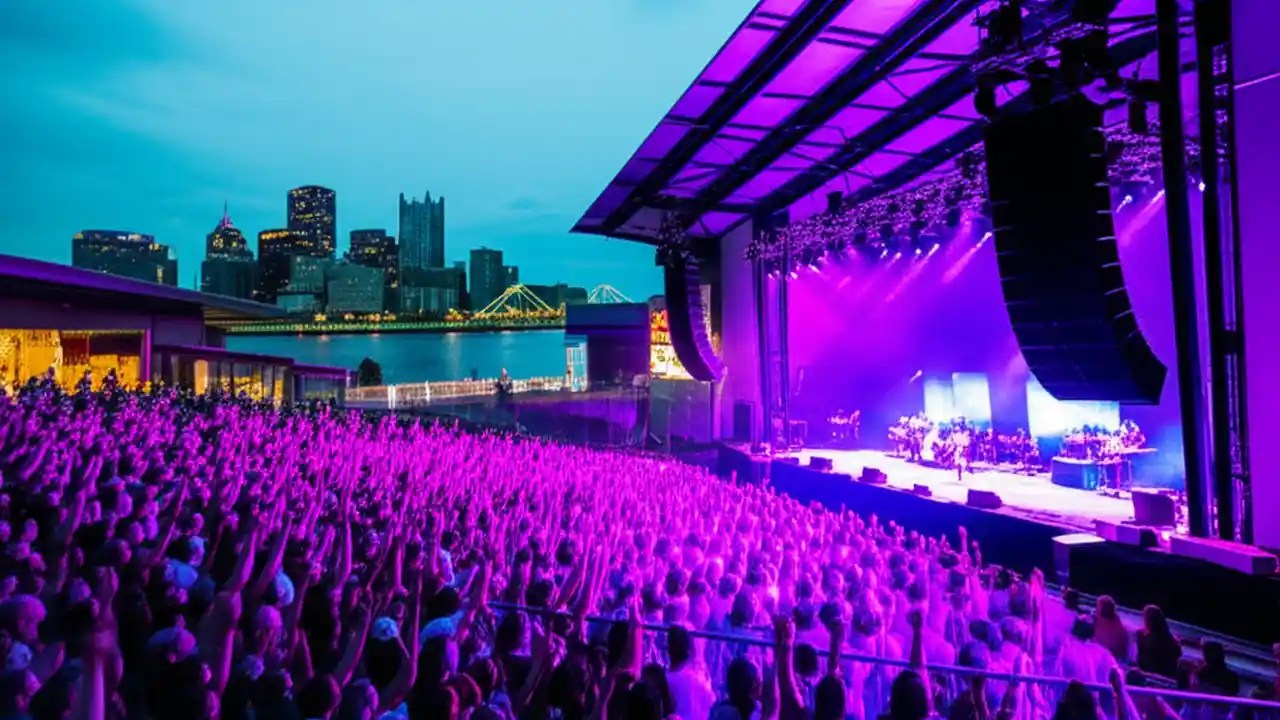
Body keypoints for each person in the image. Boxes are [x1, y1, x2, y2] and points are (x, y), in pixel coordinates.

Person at [1136, 606, 1182, 680]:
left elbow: (1144, 663)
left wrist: (1141, 641)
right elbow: (1178, 653)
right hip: (1169, 677)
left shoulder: (1149, 640)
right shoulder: (1169, 638)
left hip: (1154, 678)